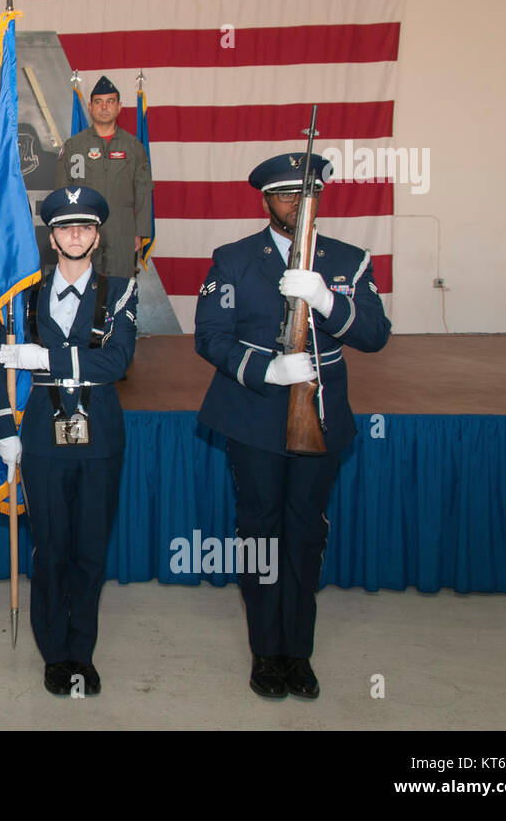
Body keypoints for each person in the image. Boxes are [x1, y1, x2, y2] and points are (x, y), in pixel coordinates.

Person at [194, 153, 390, 701]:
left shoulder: (348, 261)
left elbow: (375, 334)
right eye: (284, 195)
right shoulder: (233, 259)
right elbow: (209, 336)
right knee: (259, 537)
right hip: (254, 417)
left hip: (319, 419)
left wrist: (325, 299)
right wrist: (267, 369)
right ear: (266, 200)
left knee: (306, 537)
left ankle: (297, 653)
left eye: (306, 195)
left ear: (319, 199)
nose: (296, 205)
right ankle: (265, 653)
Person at [0, 186, 137, 697]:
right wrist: (4, 427)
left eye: (85, 227)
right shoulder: (24, 296)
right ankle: (54, 652)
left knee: (90, 551)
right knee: (51, 550)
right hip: (43, 443)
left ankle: (82, 652)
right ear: (51, 238)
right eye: (65, 228)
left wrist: (47, 359)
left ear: (97, 237)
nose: (75, 235)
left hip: (100, 443)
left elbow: (117, 360)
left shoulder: (120, 292)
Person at [55, 75, 153, 280]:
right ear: (90, 108)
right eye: (98, 102)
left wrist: (140, 232)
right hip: (83, 227)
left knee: (120, 284)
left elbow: (143, 191)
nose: (104, 107)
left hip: (122, 227)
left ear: (119, 107)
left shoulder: (133, 147)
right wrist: (64, 230)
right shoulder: (75, 146)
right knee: (84, 285)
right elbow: (63, 191)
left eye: (110, 101)